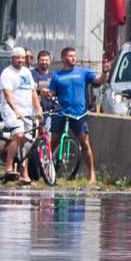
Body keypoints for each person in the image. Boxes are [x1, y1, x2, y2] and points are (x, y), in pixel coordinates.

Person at [47, 46, 100, 183]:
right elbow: (52, 93)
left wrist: (105, 73)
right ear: (63, 58)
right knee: (53, 142)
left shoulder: (83, 72)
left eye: (74, 56)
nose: (73, 58)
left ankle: (92, 175)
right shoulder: (57, 76)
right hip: (61, 113)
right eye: (70, 56)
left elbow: (98, 81)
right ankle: (46, 170)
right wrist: (46, 93)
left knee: (85, 142)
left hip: (78, 114)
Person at [0, 45, 39, 181]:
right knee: (19, 134)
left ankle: (23, 172)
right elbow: (8, 96)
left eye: (23, 57)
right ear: (12, 58)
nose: (21, 60)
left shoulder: (27, 72)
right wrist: (16, 111)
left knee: (25, 143)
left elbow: (33, 92)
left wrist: (38, 109)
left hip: (27, 111)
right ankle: (8, 168)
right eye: (18, 57)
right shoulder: (7, 73)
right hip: (11, 110)